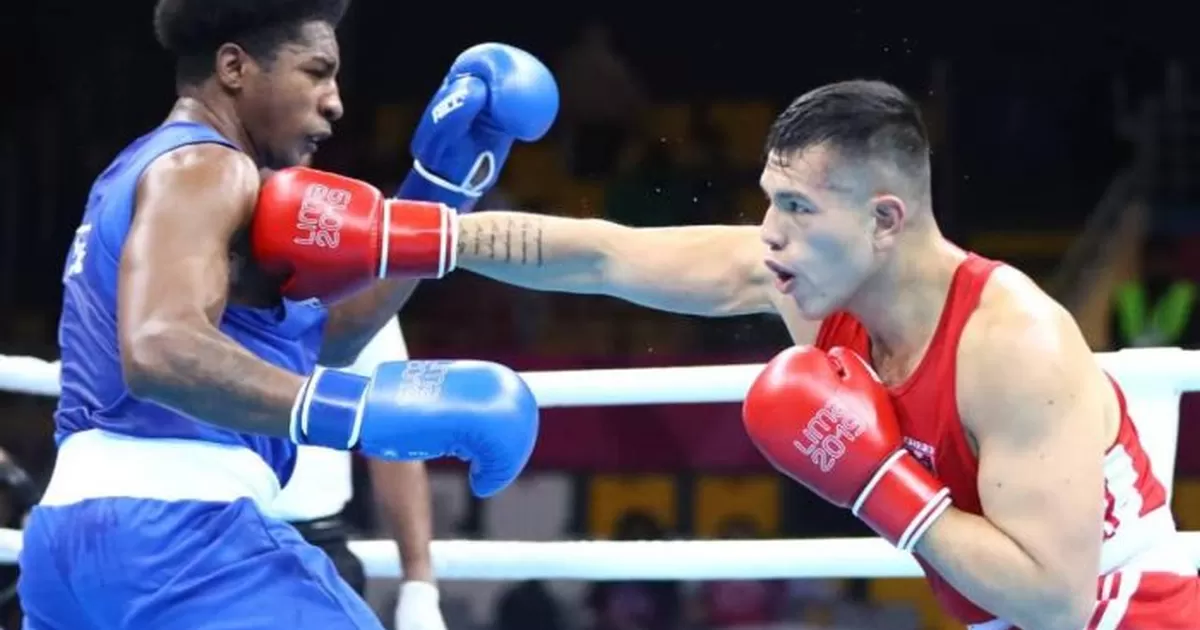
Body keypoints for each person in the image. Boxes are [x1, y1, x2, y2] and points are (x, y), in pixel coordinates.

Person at [446, 80, 1200, 628]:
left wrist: (877, 481)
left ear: (884, 221)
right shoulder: (810, 283)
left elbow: (1055, 603)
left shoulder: (1014, 345)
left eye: (799, 208)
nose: (770, 230)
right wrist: (420, 235)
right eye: (773, 198)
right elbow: (604, 258)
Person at [18, 0, 556, 627]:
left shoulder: (144, 169)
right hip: (177, 535)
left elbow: (334, 332)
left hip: (69, 546)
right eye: (316, 71)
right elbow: (160, 346)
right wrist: (353, 414)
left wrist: (441, 185)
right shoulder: (206, 167)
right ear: (234, 67)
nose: (335, 102)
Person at [272, 316, 446, 629]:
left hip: (314, 543)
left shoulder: (357, 291)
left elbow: (393, 433)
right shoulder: (186, 278)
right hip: (198, 531)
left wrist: (419, 585)